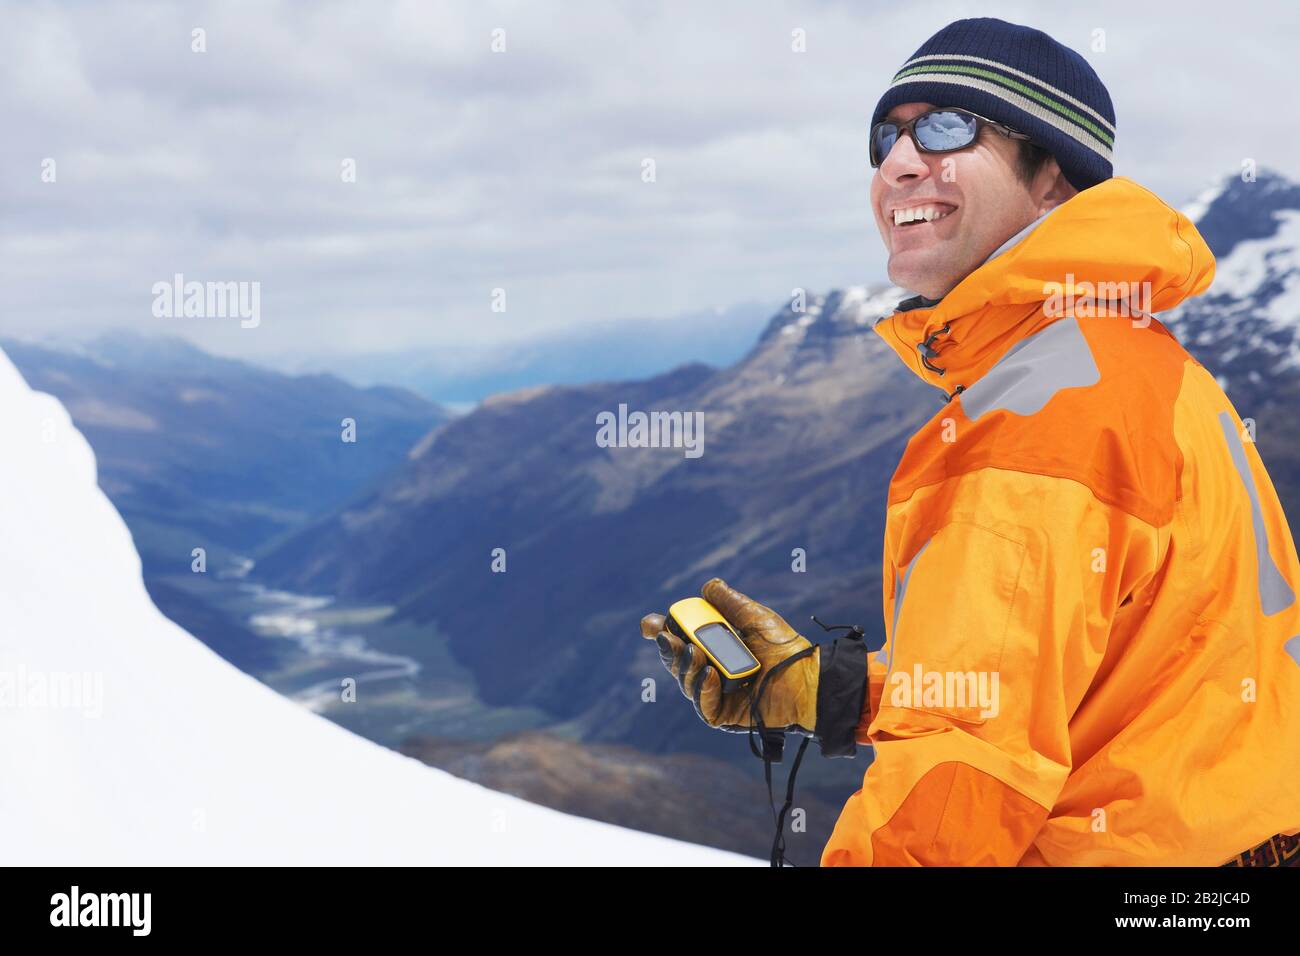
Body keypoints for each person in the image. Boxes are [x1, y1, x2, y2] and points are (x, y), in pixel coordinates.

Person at [641, 17, 1300, 866]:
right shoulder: (1140, 365)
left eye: (948, 128)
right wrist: (825, 689)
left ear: (1054, 179)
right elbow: (1082, 687)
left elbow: (952, 801)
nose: (899, 163)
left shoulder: (1034, 424)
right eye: (887, 136)